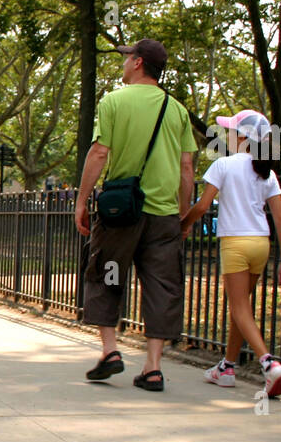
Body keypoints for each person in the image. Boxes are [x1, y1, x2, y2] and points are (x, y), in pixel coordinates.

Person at [75, 39, 197, 391]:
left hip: (120, 213)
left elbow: (99, 153)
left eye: (127, 57)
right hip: (163, 216)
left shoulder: (114, 101)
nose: (124, 63)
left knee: (107, 274)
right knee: (161, 285)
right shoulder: (176, 110)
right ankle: (153, 366)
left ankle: (111, 350)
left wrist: (81, 201)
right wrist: (182, 213)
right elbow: (187, 167)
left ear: (139, 62)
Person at [181, 109, 281, 397]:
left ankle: (269, 365)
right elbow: (280, 218)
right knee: (240, 309)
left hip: (235, 243)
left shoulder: (224, 166)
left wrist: (184, 225)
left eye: (230, 131)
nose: (227, 136)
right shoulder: (265, 171)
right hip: (261, 245)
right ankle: (227, 367)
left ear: (242, 136)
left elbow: (203, 206)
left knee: (240, 307)